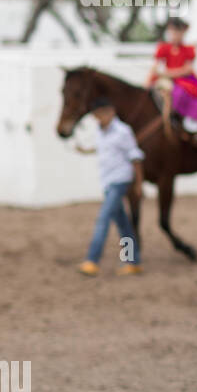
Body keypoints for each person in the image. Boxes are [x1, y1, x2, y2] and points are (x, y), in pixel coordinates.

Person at [75, 97, 144, 276]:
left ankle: (92, 260)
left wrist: (138, 183)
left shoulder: (122, 131)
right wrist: (84, 150)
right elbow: (105, 150)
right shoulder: (100, 132)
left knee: (103, 218)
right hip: (107, 181)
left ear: (110, 111)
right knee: (123, 225)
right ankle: (132, 261)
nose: (99, 118)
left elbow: (135, 157)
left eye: (101, 114)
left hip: (119, 180)